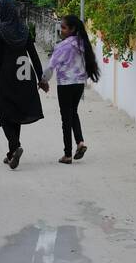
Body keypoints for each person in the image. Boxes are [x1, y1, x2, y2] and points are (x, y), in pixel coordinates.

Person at [0, 0, 44, 169]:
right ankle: (12, 152)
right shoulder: (24, 29)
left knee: (4, 114)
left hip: (7, 76)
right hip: (25, 76)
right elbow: (34, 55)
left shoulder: (0, 31)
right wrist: (41, 78)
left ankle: (15, 146)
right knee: (16, 112)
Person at [40, 14, 100, 164]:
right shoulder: (82, 44)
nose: (61, 30)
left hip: (66, 85)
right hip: (79, 84)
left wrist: (43, 81)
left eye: (64, 27)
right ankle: (80, 142)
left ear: (72, 29)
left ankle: (67, 154)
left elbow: (50, 67)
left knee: (65, 118)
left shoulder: (63, 46)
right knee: (73, 112)